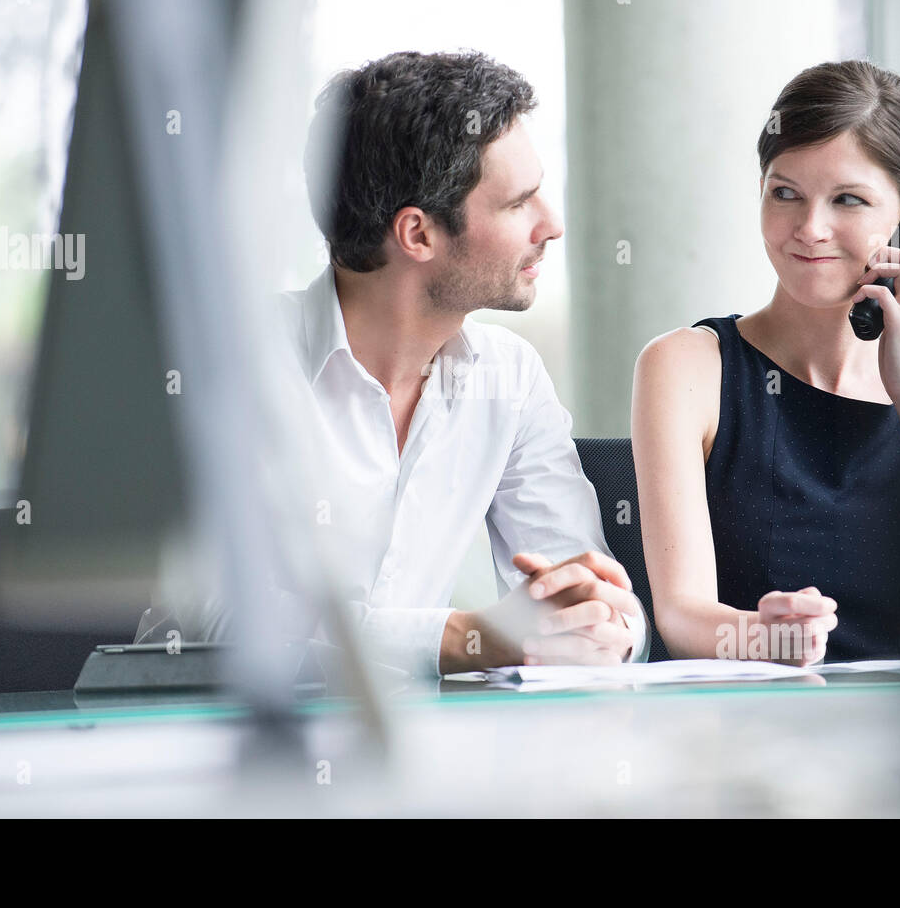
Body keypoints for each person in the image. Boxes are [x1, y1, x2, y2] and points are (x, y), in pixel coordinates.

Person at [267, 50, 647, 677]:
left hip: (416, 748)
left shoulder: (511, 378)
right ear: (418, 235)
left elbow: (585, 578)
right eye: (518, 203)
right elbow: (221, 621)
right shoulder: (251, 364)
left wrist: (607, 626)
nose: (551, 225)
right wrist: (467, 637)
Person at [631, 60, 900, 666]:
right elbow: (680, 616)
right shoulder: (688, 367)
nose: (810, 229)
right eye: (786, 193)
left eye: (848, 200)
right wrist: (762, 636)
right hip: (734, 735)